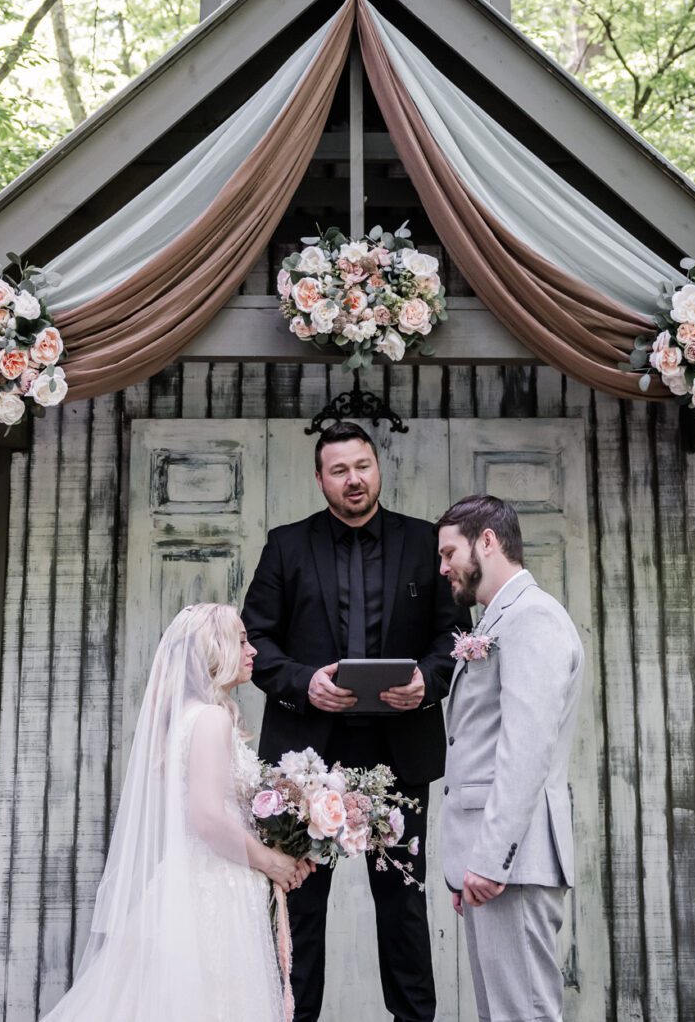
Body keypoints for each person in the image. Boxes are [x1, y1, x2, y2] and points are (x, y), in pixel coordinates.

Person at [241, 421, 469, 1022]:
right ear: (320, 479)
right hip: (306, 764)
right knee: (302, 907)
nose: (354, 480)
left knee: (402, 908)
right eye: (339, 470)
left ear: (378, 468)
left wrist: (428, 681)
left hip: (399, 758)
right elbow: (256, 640)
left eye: (362, 466)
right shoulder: (285, 545)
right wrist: (303, 684)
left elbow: (456, 634)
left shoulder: (426, 543)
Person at [40, 603, 311, 1021]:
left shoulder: (185, 718)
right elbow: (205, 817)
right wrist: (272, 862)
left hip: (195, 878)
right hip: (214, 886)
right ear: (213, 650)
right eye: (240, 641)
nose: (252, 650)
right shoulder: (210, 720)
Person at [435, 495, 585, 1022]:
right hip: (494, 865)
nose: (443, 566)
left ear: (489, 541)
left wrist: (490, 859)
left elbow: (526, 747)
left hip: (512, 863)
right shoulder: (498, 620)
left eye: (449, 552)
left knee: (524, 1014)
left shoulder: (532, 618)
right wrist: (466, 863)